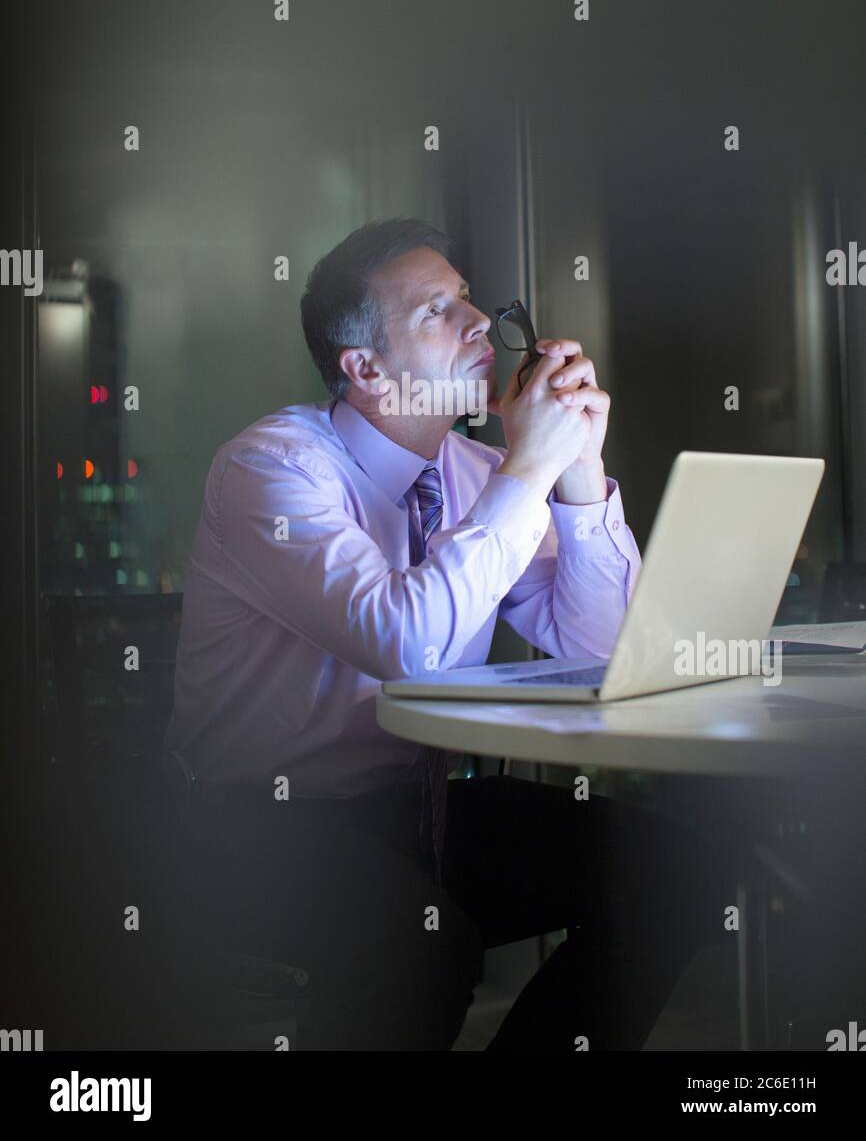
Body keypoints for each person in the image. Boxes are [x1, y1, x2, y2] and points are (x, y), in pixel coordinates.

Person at [164, 217, 735, 1050]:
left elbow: (607, 647)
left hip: (421, 813)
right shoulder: (272, 469)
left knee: (681, 874)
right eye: (438, 311)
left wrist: (576, 476)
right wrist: (528, 470)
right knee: (421, 947)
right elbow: (407, 646)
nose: (478, 326)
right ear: (364, 369)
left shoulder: (475, 477)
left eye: (469, 299)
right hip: (260, 827)